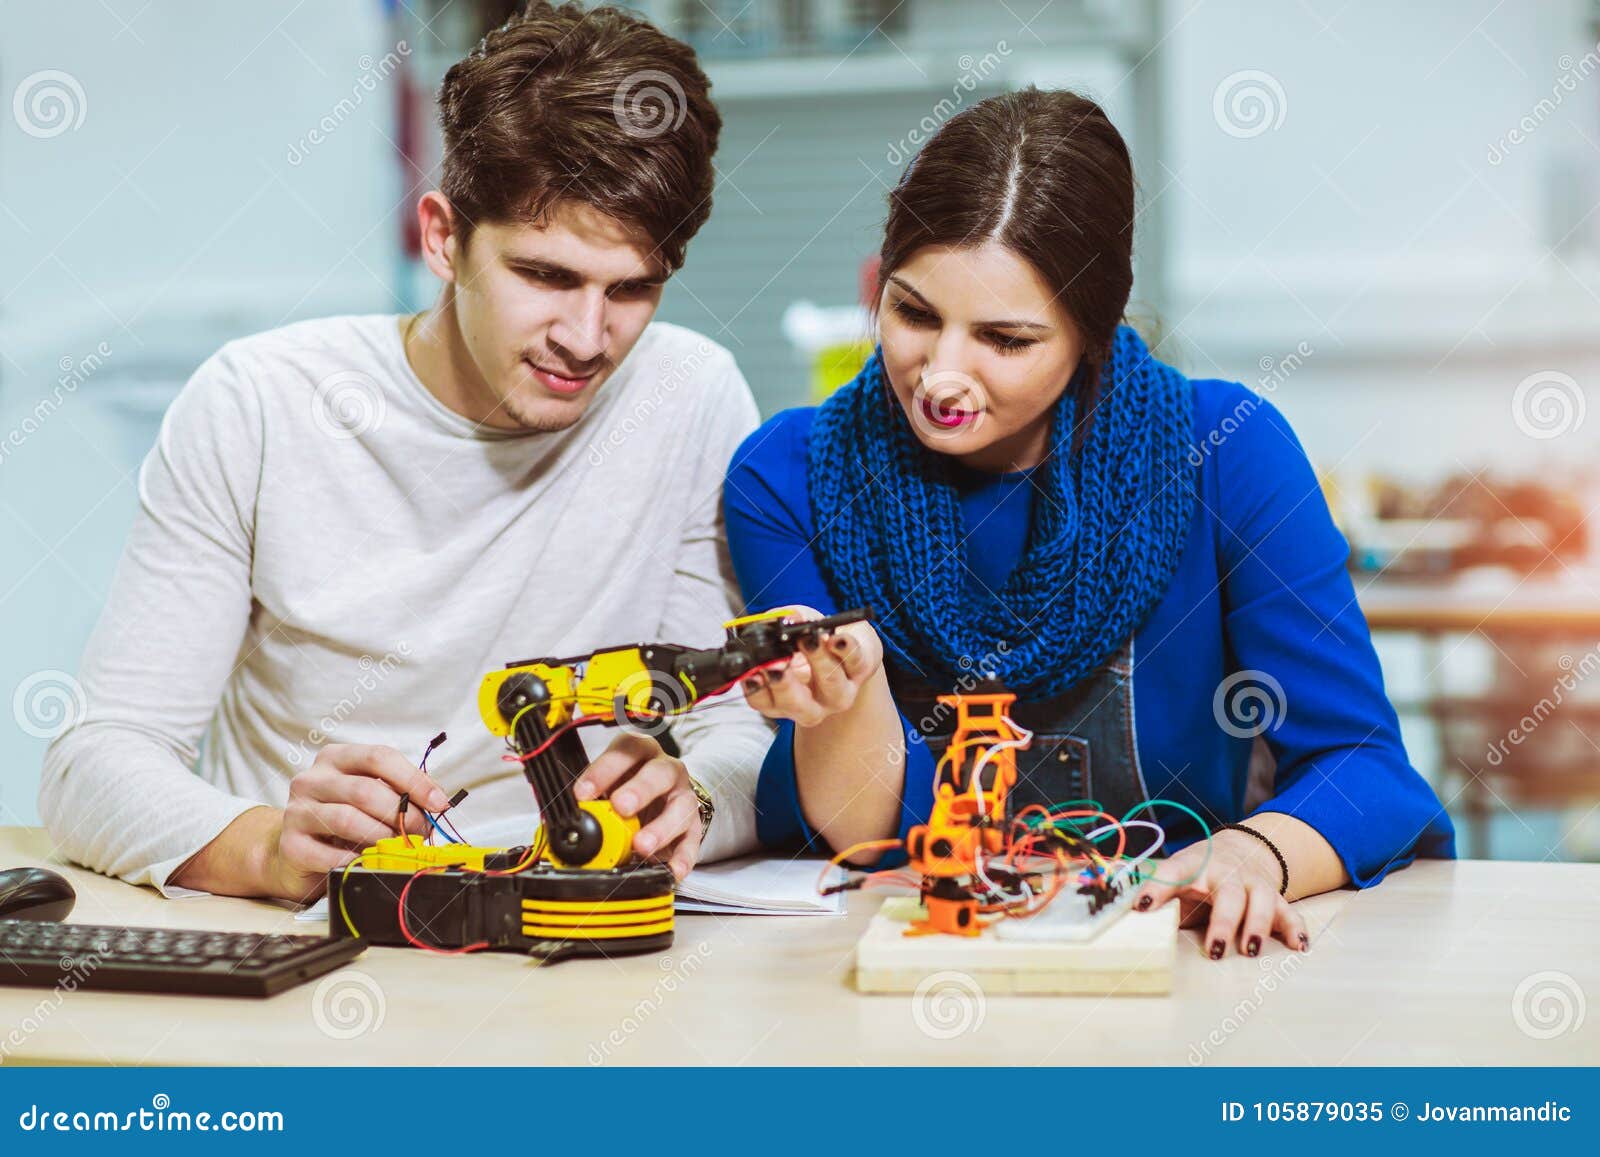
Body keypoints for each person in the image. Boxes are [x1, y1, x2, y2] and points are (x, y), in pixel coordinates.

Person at [39, 2, 770, 900]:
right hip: (319, 941)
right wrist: (268, 847)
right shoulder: (260, 404)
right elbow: (94, 760)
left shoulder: (690, 396)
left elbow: (733, 730)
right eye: (545, 275)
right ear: (442, 237)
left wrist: (694, 799)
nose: (587, 336)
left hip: (581, 930)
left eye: (632, 289)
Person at [725, 87, 1455, 961]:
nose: (941, 377)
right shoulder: (790, 477)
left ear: (1090, 334)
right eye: (914, 313)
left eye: (1005, 339)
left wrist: (1252, 852)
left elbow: (1362, 766)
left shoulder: (1224, 453)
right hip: (917, 974)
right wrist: (849, 700)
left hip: (1182, 973)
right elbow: (859, 831)